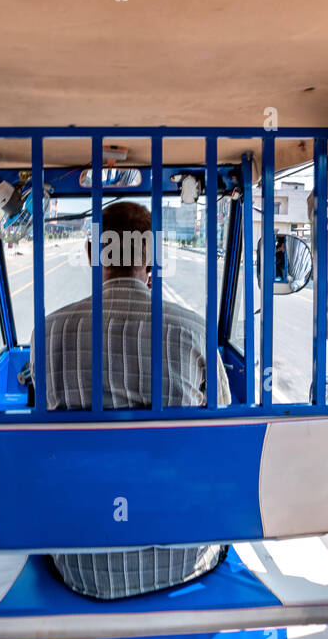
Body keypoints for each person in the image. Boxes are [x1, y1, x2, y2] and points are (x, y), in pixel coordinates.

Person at [34, 201, 231, 599]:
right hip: (186, 555)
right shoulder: (192, 329)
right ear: (153, 257)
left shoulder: (49, 331)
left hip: (78, 563)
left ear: (93, 255)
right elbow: (221, 428)